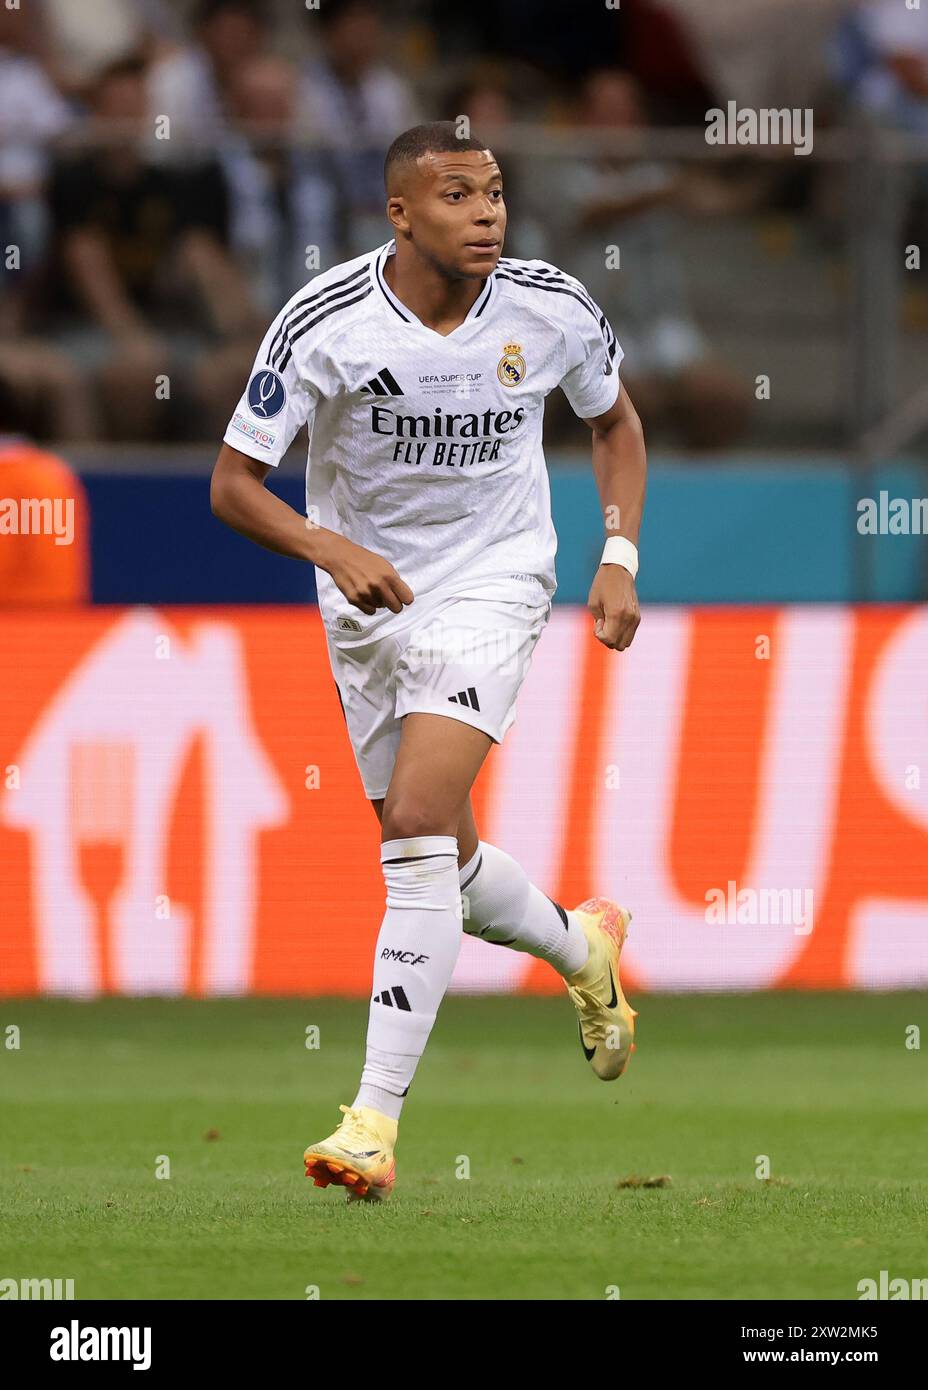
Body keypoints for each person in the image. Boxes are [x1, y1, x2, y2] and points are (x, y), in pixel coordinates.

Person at [210, 122, 645, 1201]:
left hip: (496, 584)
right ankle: (582, 951)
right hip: (366, 603)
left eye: (495, 192)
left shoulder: (549, 306)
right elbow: (232, 484)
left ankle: (371, 1120)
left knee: (412, 826)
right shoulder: (328, 323)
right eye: (457, 195)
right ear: (399, 213)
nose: (487, 213)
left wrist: (619, 551)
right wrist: (327, 545)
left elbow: (614, 422)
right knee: (442, 862)